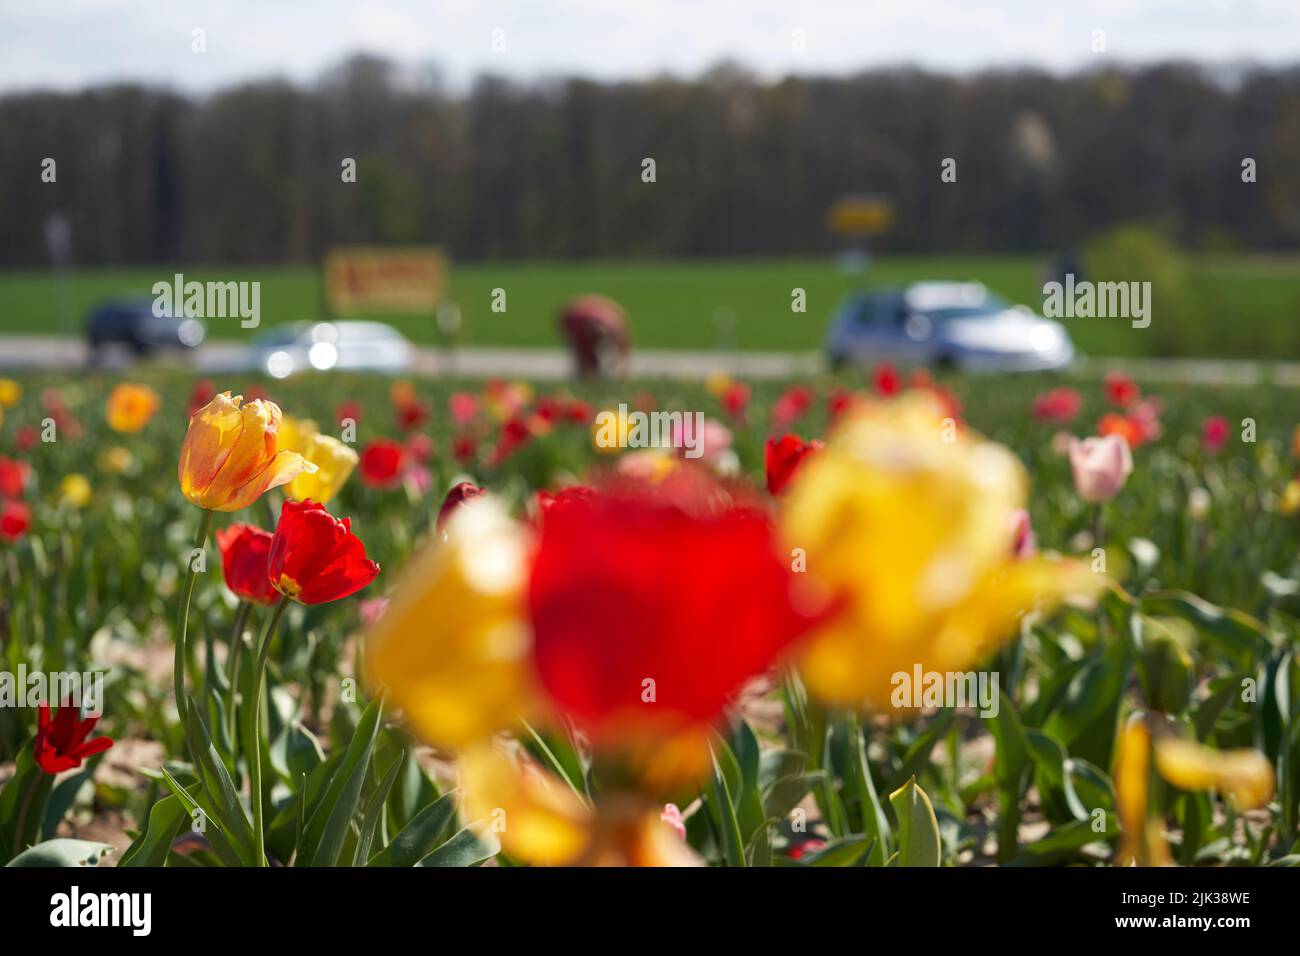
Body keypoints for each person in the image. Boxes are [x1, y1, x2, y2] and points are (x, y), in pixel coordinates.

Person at [559, 294, 630, 377]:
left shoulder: (614, 325)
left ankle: (589, 374)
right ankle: (585, 374)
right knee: (584, 354)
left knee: (587, 355)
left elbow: (624, 348)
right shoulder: (576, 321)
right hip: (578, 320)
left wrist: (622, 367)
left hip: (588, 321)